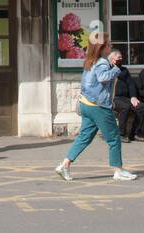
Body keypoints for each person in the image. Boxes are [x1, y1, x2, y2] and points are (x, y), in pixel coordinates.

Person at [55, 32, 138, 181]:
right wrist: (116, 69)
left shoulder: (90, 61)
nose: (111, 46)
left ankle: (64, 165)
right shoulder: (102, 62)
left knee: (85, 137)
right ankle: (118, 171)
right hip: (98, 107)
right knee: (113, 138)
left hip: (86, 104)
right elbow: (102, 77)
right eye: (109, 44)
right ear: (102, 47)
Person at [109, 49, 144, 141]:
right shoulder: (107, 70)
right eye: (119, 57)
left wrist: (133, 96)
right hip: (113, 98)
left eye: (121, 57)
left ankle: (134, 133)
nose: (121, 59)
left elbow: (131, 84)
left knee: (141, 107)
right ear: (112, 59)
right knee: (125, 107)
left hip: (125, 98)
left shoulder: (124, 70)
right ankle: (121, 134)